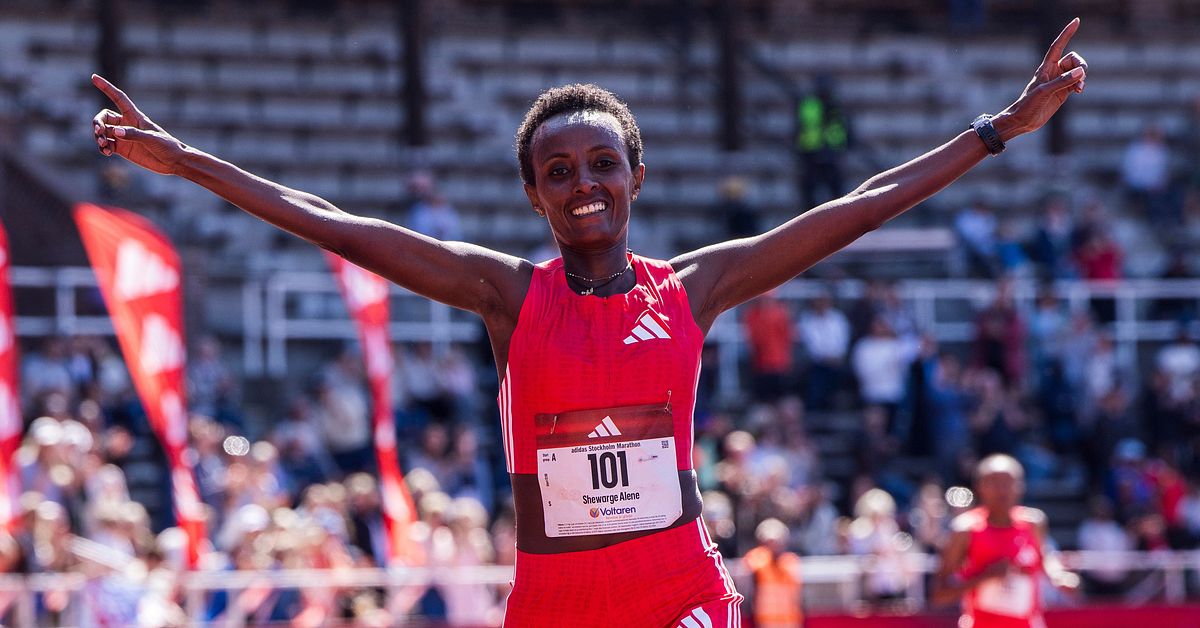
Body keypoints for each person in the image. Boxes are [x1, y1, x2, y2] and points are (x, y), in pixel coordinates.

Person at [89, 19, 1087, 625]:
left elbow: (861, 202)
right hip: (555, 607)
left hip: (680, 594)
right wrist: (190, 164)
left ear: (636, 176)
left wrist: (996, 128)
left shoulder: (692, 287)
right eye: (559, 171)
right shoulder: (506, 296)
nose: (584, 185)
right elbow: (340, 224)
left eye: (602, 165)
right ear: (532, 193)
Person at [933, 455, 1079, 628]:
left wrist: (1058, 576)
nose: (1002, 490)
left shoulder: (1034, 523)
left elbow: (1045, 559)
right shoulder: (965, 530)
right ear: (980, 487)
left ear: (1021, 486)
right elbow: (939, 596)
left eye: (1008, 482)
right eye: (994, 482)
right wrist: (985, 577)